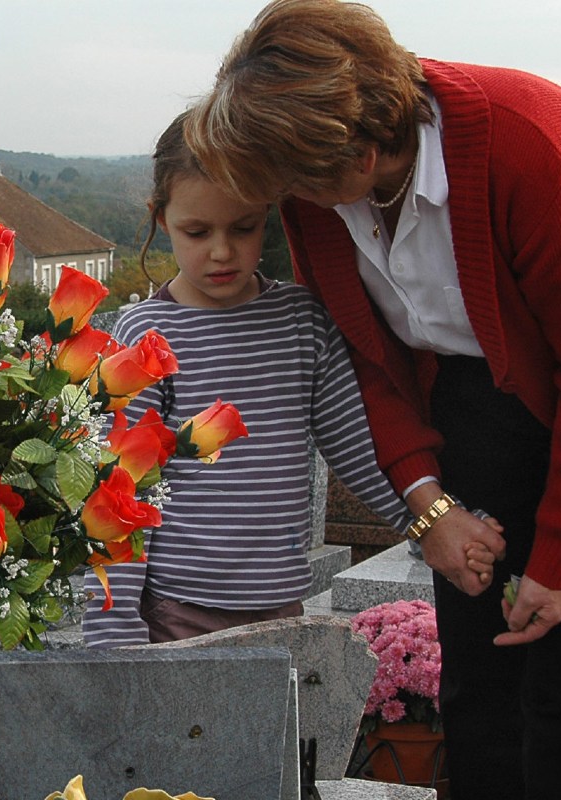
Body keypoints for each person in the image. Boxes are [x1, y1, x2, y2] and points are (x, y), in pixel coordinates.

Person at [182, 1, 561, 796]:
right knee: (479, 688)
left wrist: (560, 560)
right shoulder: (314, 188)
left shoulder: (536, 146)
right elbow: (373, 359)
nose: (291, 201)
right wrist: (431, 511)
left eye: (300, 182)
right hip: (474, 391)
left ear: (365, 148)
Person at [82, 112, 416, 647]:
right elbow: (118, 485)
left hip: (282, 607)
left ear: (269, 214)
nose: (221, 251)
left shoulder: (301, 319)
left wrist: (427, 524)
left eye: (244, 227)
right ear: (161, 219)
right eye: (197, 231)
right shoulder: (146, 333)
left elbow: (355, 447)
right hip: (177, 610)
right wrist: (112, 624)